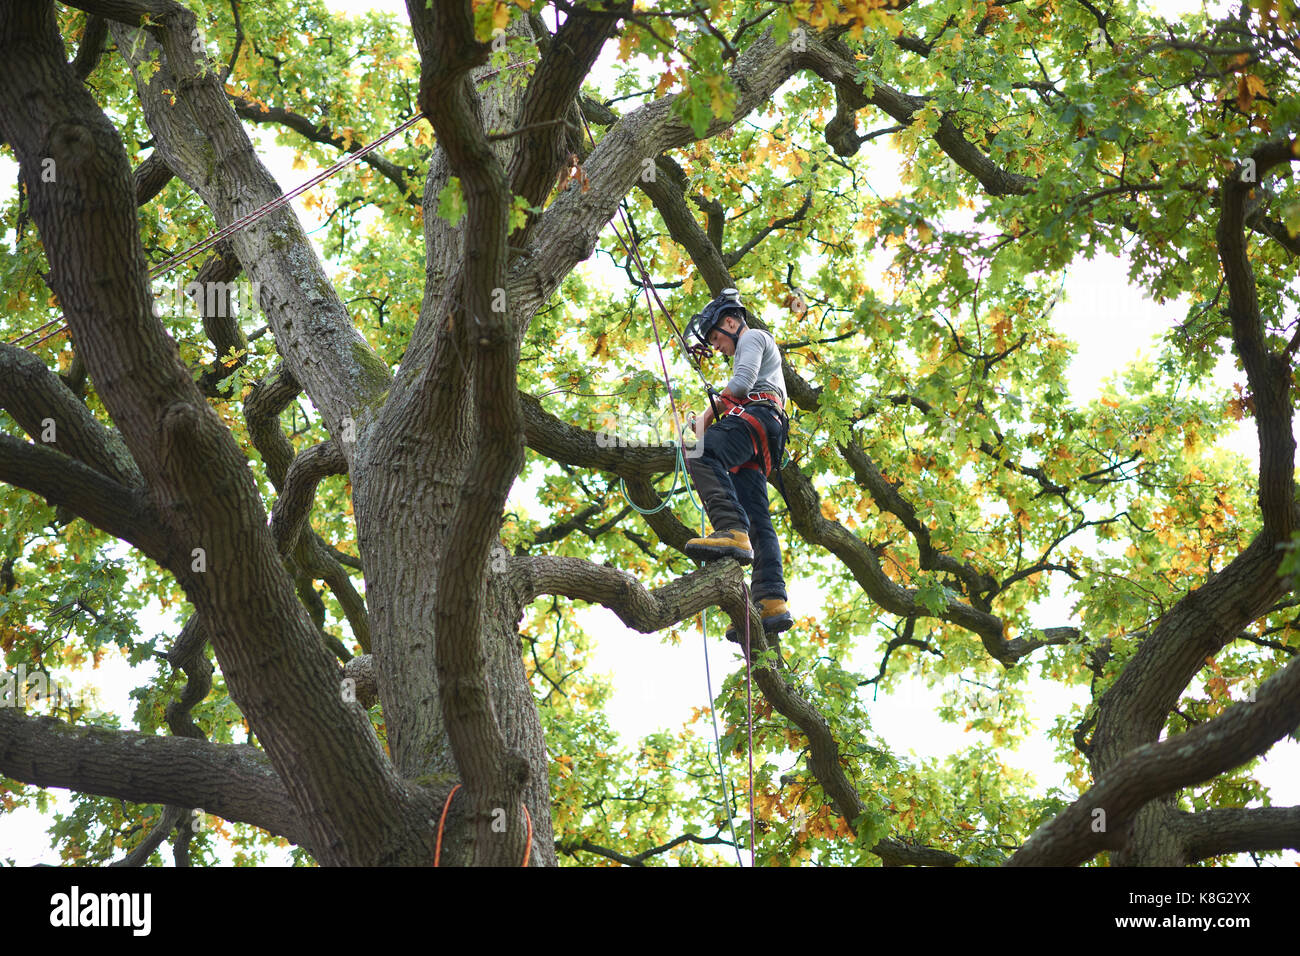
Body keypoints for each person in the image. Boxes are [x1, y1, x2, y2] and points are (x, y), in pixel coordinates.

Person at [682, 288, 793, 637]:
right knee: (758, 518)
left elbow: (742, 384)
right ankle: (772, 600)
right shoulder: (754, 350)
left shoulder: (753, 338)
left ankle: (730, 528)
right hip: (763, 436)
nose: (716, 346)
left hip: (757, 418)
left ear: (732, 322)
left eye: (716, 337)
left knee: (700, 451)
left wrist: (703, 421)